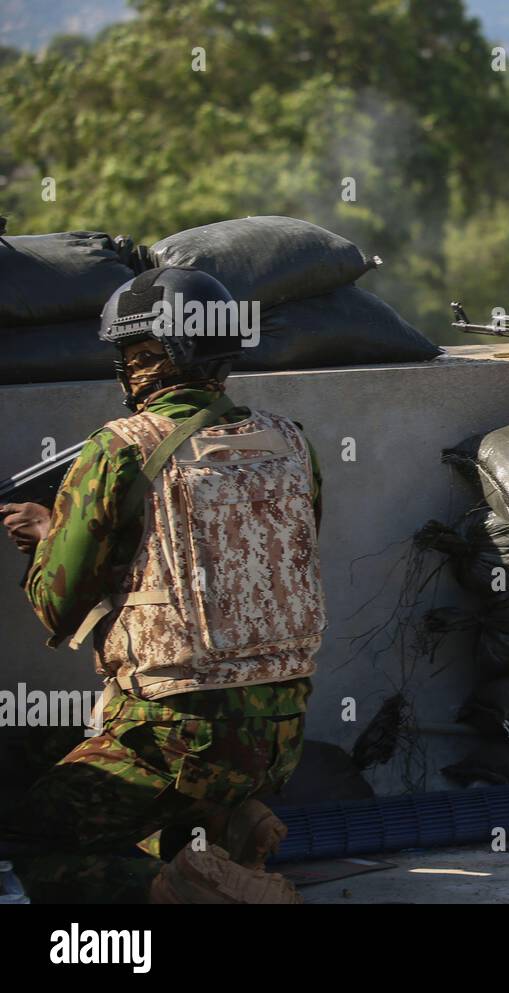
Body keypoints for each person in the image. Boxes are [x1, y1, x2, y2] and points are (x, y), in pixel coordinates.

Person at [0, 267, 327, 902]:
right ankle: (229, 819)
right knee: (68, 753)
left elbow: (56, 609)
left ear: (149, 356)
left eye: (129, 353)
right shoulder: (293, 444)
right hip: (282, 737)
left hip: (173, 734)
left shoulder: (116, 451)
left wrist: (47, 538)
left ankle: (181, 891)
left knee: (34, 836)